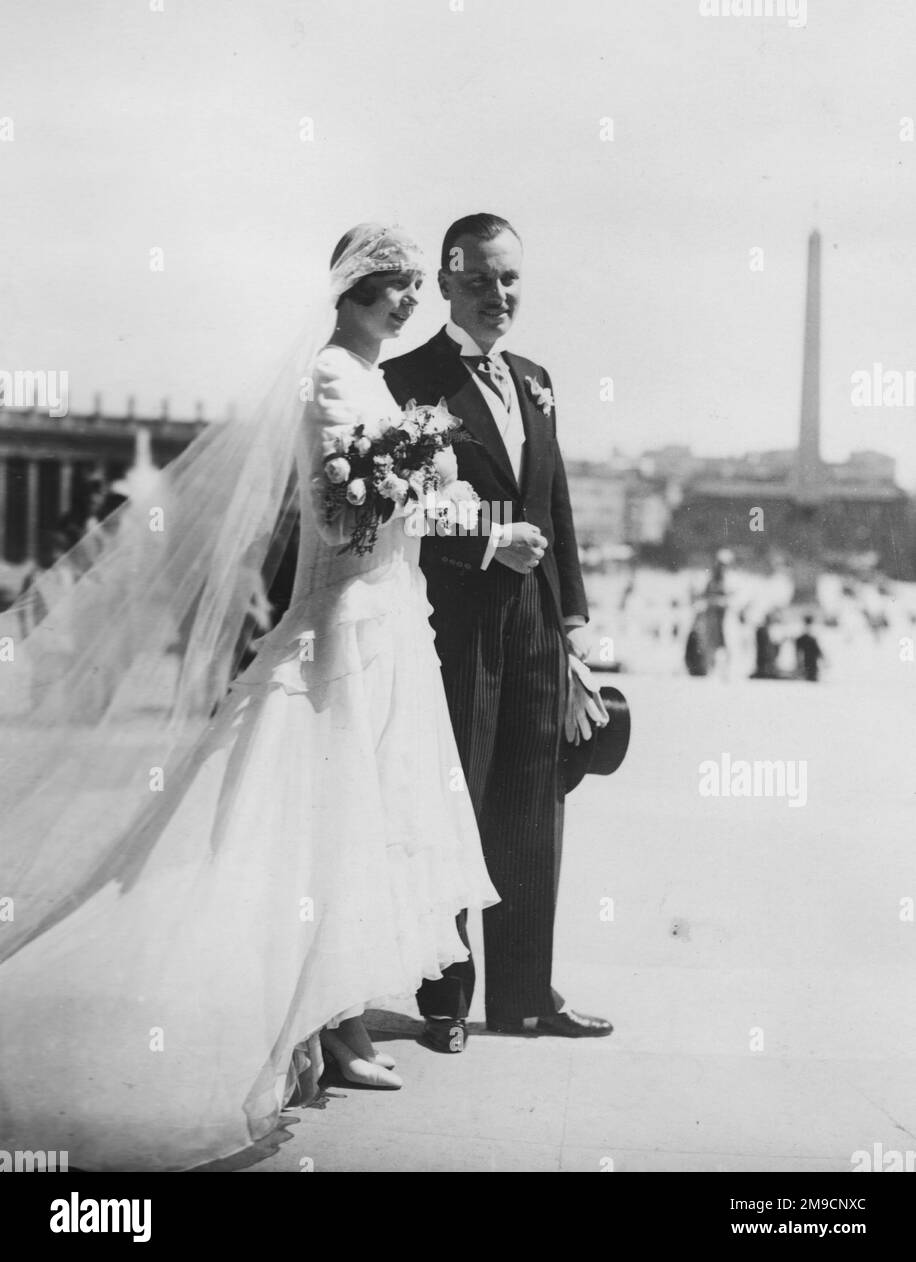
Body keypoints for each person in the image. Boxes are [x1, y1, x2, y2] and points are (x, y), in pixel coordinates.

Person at [0, 223, 497, 1171]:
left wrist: (438, 491)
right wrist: (420, 478)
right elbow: (343, 508)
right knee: (325, 818)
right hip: (345, 626)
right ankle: (321, 1026)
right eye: (389, 288)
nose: (406, 302)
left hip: (391, 623)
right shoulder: (332, 377)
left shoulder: (376, 378)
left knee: (363, 818)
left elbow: (392, 501)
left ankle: (334, 1020)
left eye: (408, 290)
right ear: (350, 291)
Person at [383, 213, 611, 1050]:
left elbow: (556, 506)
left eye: (509, 278)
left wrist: (577, 627)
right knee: (456, 799)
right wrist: (484, 547)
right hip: (456, 623)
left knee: (531, 807)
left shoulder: (538, 378)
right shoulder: (406, 379)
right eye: (478, 278)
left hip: (540, 628)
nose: (497, 294)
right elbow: (391, 515)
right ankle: (445, 1002)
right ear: (443, 283)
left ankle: (524, 996)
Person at [795, 614, 824, 682]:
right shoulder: (802, 639)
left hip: (812, 666)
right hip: (805, 667)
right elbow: (798, 653)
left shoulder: (811, 638)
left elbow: (817, 651)